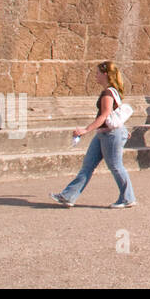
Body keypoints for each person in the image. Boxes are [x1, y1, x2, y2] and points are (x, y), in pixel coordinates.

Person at [51, 61, 136, 208]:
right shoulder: (112, 91)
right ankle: (68, 196)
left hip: (111, 135)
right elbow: (114, 115)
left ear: (105, 74)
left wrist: (85, 130)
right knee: (88, 165)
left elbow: (104, 116)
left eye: (97, 73)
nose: (95, 76)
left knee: (115, 166)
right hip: (104, 134)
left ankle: (127, 198)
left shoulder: (108, 93)